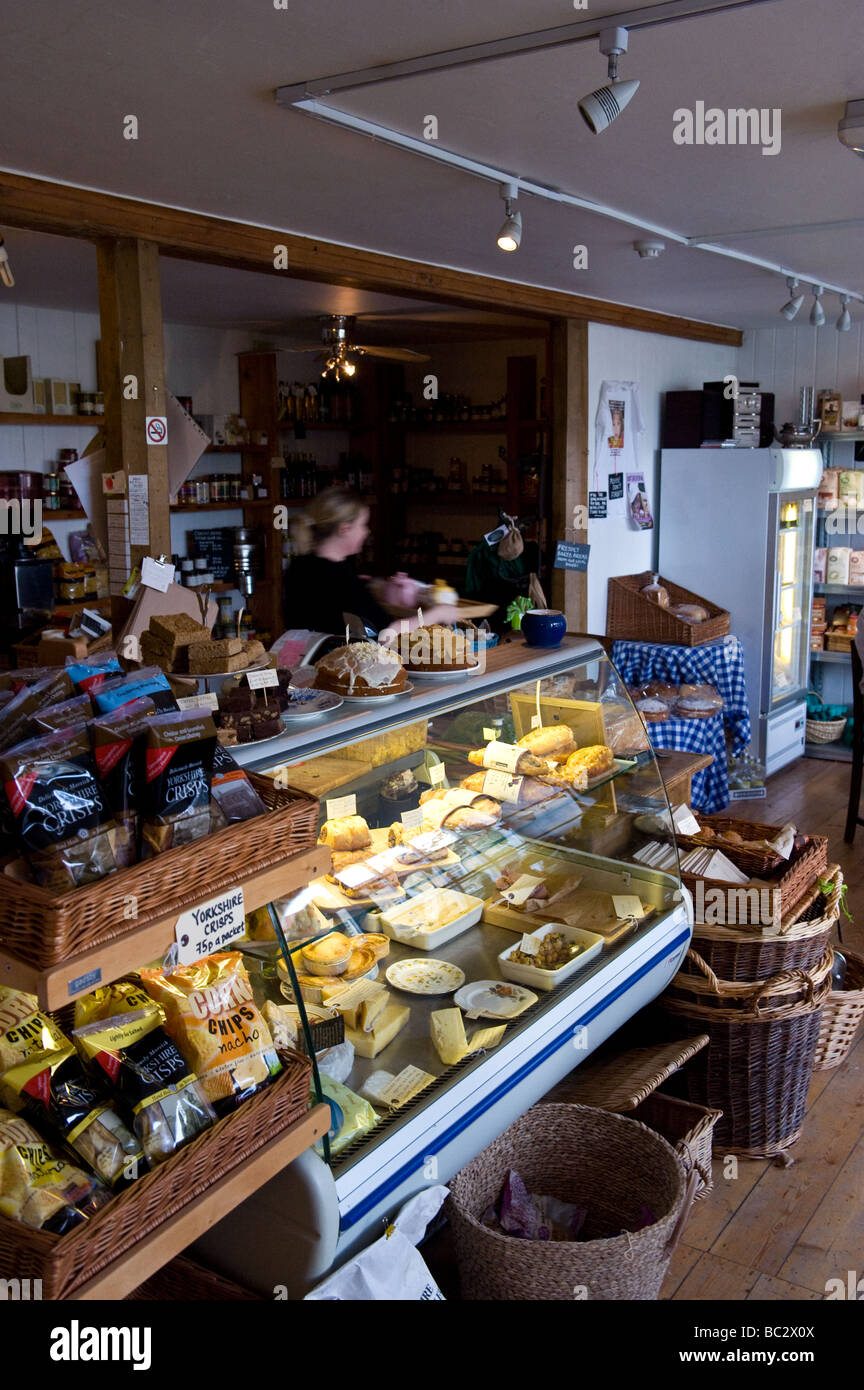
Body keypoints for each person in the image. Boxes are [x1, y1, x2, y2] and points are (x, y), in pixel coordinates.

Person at [284, 491, 460, 639]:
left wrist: (367, 588)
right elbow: (387, 633)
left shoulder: (300, 565)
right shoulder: (341, 578)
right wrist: (437, 614)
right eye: (363, 525)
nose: (367, 531)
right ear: (344, 529)